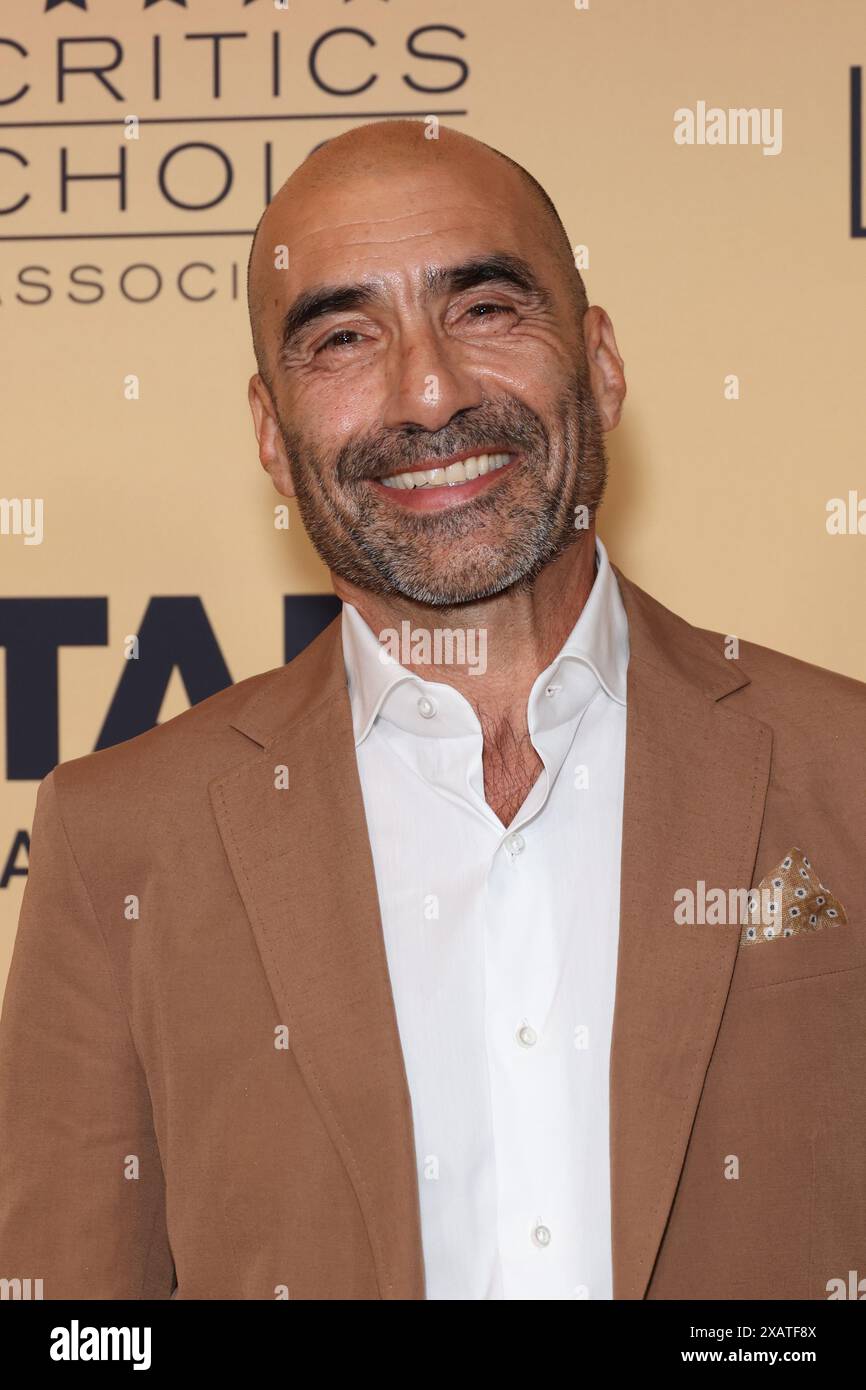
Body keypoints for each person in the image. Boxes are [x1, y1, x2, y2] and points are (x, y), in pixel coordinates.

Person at [1, 120, 863, 1301]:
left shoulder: (845, 768)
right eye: (344, 337)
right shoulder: (120, 835)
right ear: (268, 430)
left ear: (599, 364)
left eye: (485, 310)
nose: (427, 391)